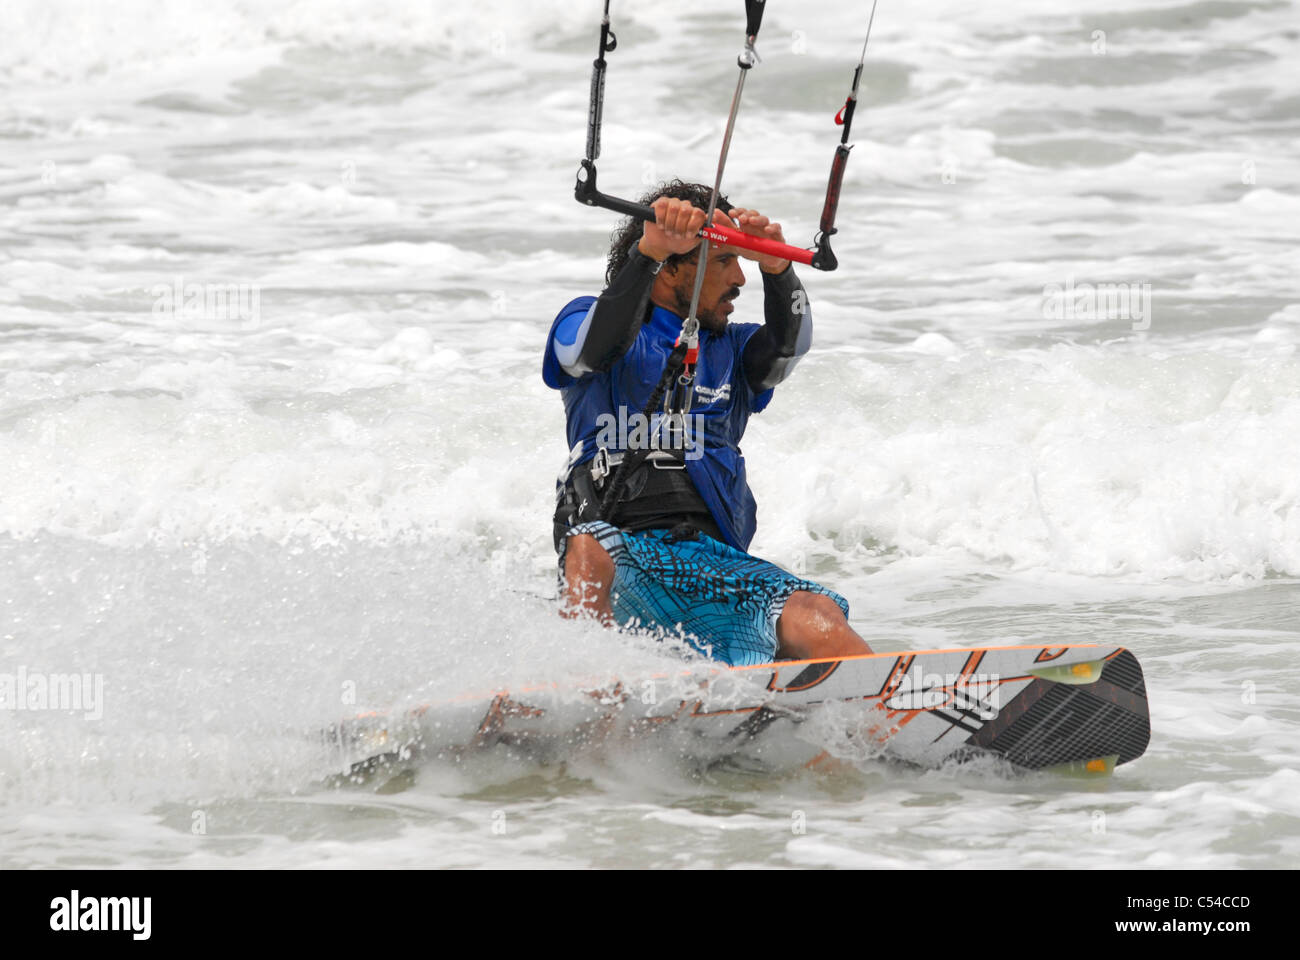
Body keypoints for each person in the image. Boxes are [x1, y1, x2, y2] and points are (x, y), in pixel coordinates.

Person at [543, 180, 873, 665]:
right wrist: (648, 251)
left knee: (814, 610)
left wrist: (777, 268)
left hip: (713, 567)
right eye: (723, 261)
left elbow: (789, 346)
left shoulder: (734, 351)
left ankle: (891, 722)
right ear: (671, 271)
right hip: (620, 560)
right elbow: (589, 349)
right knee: (588, 551)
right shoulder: (583, 320)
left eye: (741, 261)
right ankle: (583, 696)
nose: (740, 279)